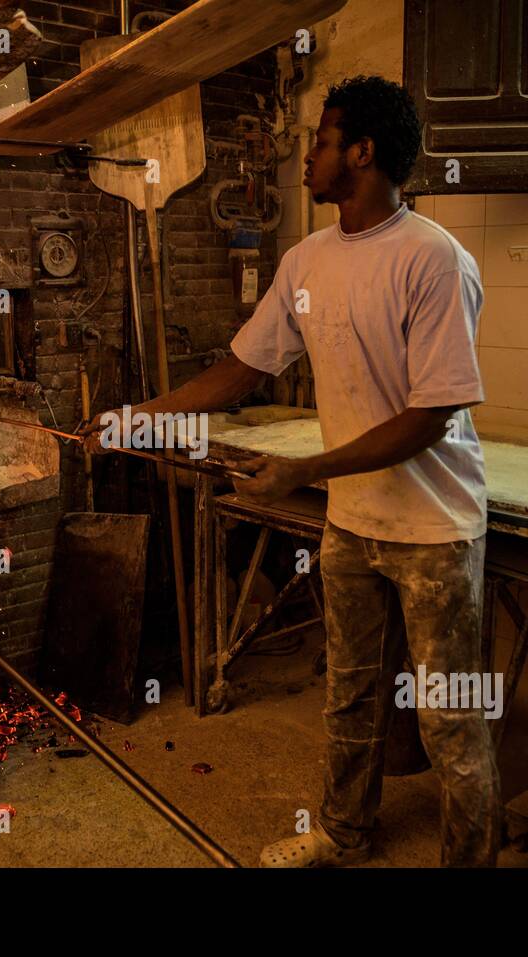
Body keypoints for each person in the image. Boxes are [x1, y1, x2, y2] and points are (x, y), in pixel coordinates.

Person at [85, 74, 498, 867]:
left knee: (449, 717)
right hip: (353, 523)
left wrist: (303, 470)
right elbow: (238, 372)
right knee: (350, 692)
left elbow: (430, 415)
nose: (308, 155)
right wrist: (135, 417)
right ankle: (346, 832)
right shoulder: (306, 261)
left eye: (320, 138)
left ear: (362, 153)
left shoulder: (434, 261)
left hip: (434, 531)